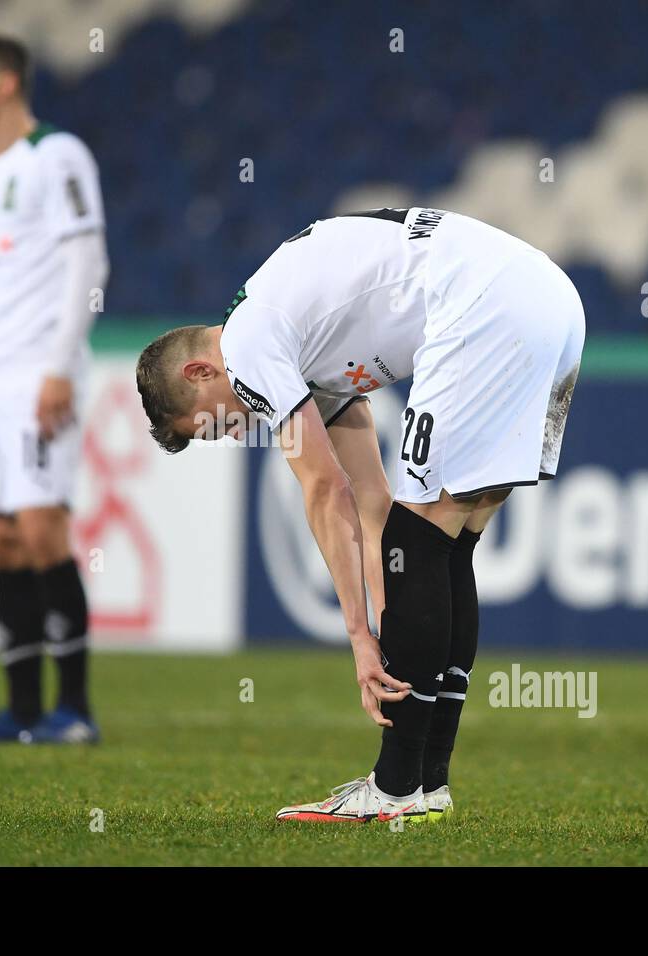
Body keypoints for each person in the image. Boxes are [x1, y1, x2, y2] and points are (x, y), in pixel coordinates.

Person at [135, 207, 584, 820]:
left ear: (200, 371)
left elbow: (324, 490)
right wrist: (380, 627)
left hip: (485, 307)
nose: (237, 432)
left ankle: (394, 788)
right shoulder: (309, 349)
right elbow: (371, 509)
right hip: (550, 300)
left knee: (423, 535)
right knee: (450, 536)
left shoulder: (246, 343)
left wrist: (358, 640)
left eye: (214, 425)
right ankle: (426, 783)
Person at [0, 34, 109, 744]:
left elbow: (87, 260)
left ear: (5, 83)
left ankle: (74, 710)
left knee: (43, 527)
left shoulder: (57, 155)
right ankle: (22, 711)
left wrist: (56, 365)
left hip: (41, 369)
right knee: (1, 535)